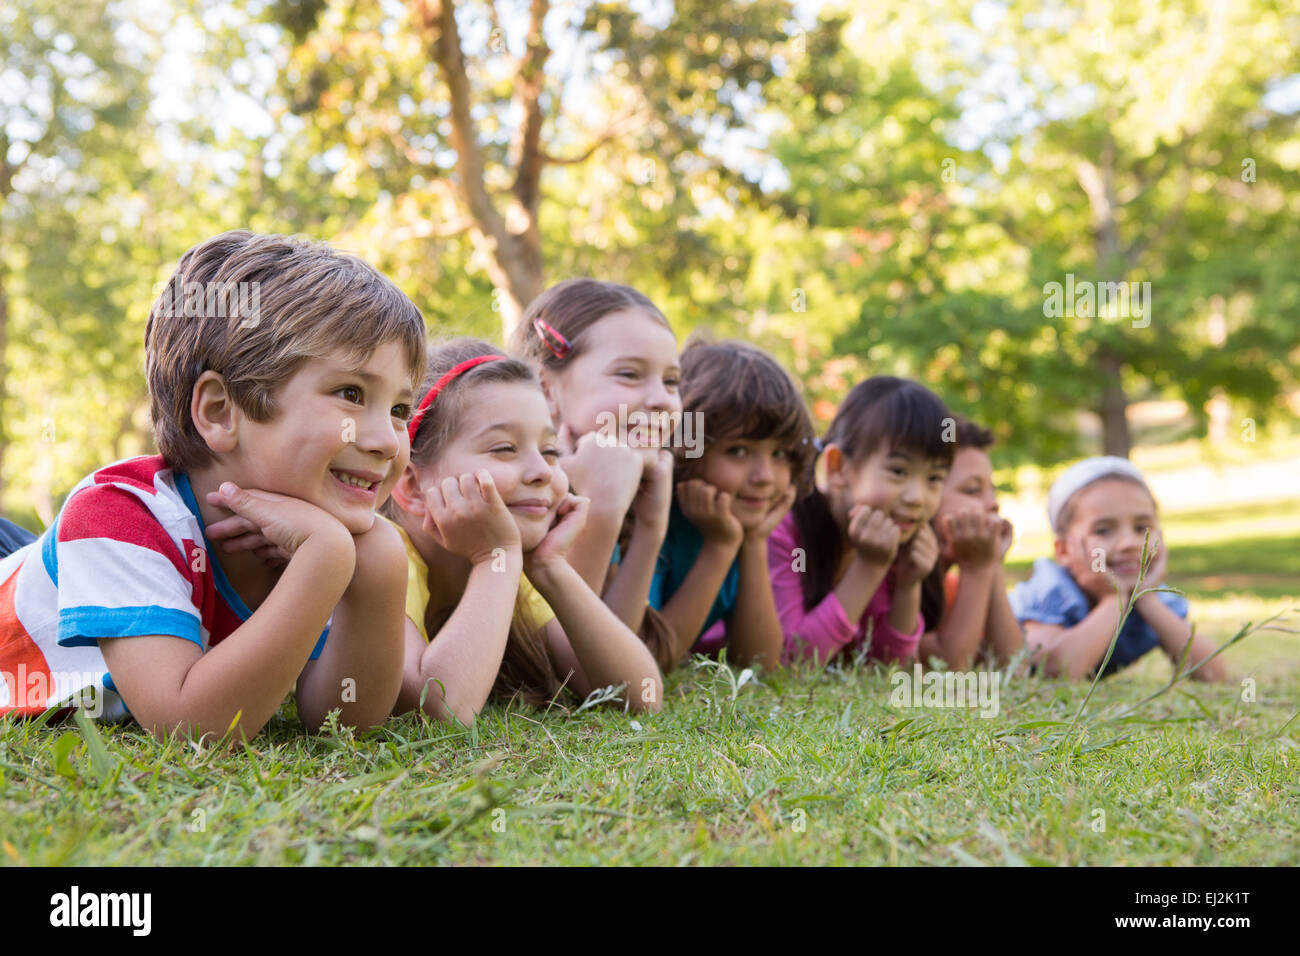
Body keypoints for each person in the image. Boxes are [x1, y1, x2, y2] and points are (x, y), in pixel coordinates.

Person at [0, 231, 425, 740]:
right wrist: (326, 558)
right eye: (351, 393)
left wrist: (378, 566)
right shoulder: (114, 513)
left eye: (400, 409)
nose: (386, 440)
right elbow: (192, 727)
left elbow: (342, 725)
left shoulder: (319, 533)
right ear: (221, 412)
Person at [385, 338, 663, 723]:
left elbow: (639, 697)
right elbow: (441, 712)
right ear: (413, 486)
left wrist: (550, 567)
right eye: (504, 448)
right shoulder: (386, 556)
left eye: (550, 451)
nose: (542, 472)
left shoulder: (515, 560)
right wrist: (491, 558)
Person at [509, 279, 682, 667]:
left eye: (671, 381)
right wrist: (600, 511)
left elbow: (613, 655)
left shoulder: (630, 485)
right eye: (629, 374)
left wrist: (650, 531)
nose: (660, 400)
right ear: (547, 389)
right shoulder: (518, 496)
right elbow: (572, 671)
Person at [648, 339, 814, 671]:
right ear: (686, 445)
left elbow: (760, 664)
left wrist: (752, 542)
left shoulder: (733, 525)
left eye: (779, 454)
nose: (765, 476)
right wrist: (720, 547)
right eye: (738, 451)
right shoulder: (651, 521)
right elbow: (650, 658)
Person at [769, 377, 953, 667]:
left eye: (934, 478)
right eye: (898, 471)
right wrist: (869, 566)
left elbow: (887, 669)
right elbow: (794, 660)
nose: (917, 497)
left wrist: (908, 585)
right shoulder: (787, 531)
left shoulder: (896, 536)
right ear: (837, 467)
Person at [1009, 456, 1226, 681]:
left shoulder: (1156, 598)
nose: (1128, 543)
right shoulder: (1052, 591)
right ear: (1063, 550)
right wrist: (1114, 599)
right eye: (1103, 531)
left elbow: (1213, 673)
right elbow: (1055, 671)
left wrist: (1145, 599)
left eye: (1142, 528)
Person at [917, 418, 1023, 669]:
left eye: (993, 490)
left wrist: (991, 563)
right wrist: (978, 569)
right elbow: (947, 668)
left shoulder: (953, 587)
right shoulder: (898, 580)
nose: (993, 504)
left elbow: (1013, 668)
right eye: (973, 490)